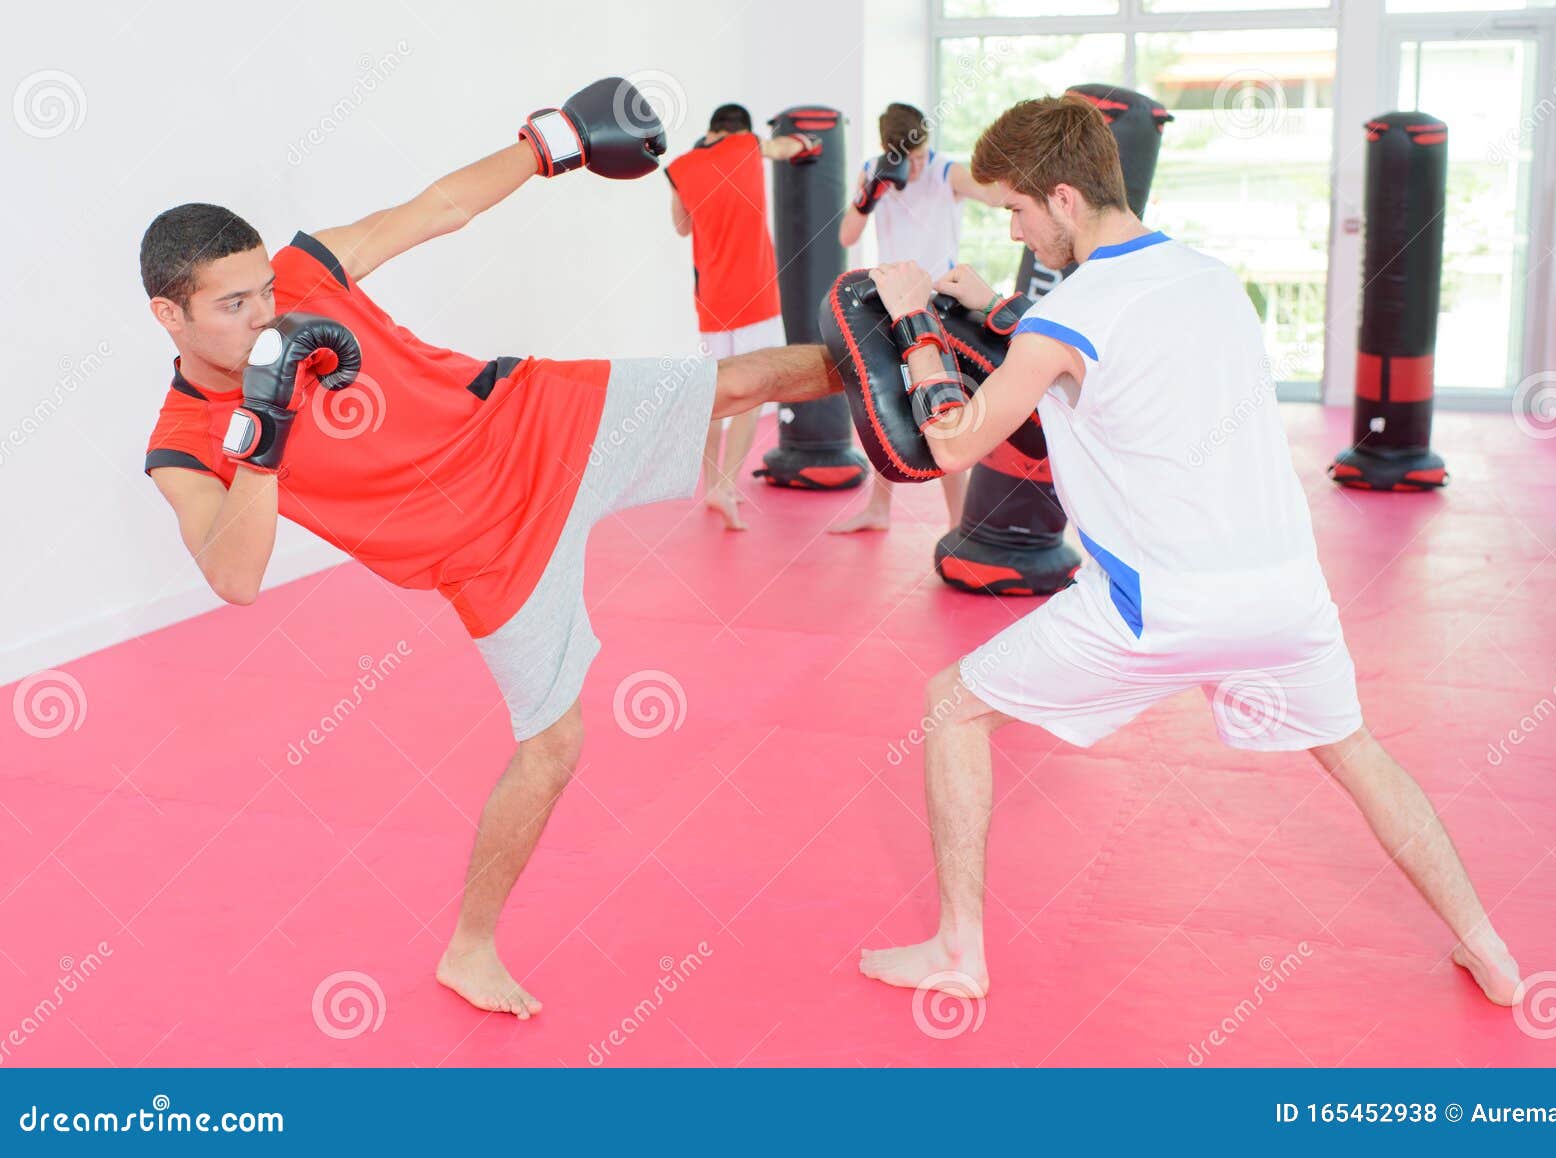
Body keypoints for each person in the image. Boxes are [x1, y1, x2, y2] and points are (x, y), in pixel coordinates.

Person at [140, 78, 841, 1021]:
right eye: (234, 306)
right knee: (553, 747)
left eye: (266, 291)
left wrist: (552, 139)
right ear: (168, 315)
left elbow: (438, 209)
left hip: (526, 421)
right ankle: (471, 949)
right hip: (484, 557)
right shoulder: (185, 437)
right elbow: (234, 576)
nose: (267, 314)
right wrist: (263, 422)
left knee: (736, 380)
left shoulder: (307, 276)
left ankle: (931, 364)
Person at [855, 93, 1522, 1007]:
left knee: (953, 709)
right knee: (1359, 752)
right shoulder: (1214, 278)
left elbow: (953, 443)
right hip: (1287, 599)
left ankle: (958, 951)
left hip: (1155, 609)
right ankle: (1488, 944)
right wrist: (998, 306)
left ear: (1061, 198)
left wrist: (912, 322)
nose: (1011, 225)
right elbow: (1118, 351)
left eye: (1013, 209)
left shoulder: (1068, 315)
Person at [829, 102, 1006, 535]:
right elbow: (846, 235)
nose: (919, 164)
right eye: (910, 158)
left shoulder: (946, 171)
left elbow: (995, 196)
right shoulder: (875, 171)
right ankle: (877, 510)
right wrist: (867, 196)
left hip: (939, 305)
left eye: (923, 153)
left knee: (946, 407)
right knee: (884, 407)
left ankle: (959, 525)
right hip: (889, 300)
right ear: (891, 152)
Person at [665, 103, 819, 530]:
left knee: (714, 396)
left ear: (711, 129)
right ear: (741, 130)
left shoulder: (680, 167)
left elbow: (681, 226)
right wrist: (809, 141)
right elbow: (786, 147)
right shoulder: (749, 144)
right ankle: (726, 487)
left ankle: (713, 484)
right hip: (756, 296)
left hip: (712, 301)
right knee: (755, 392)